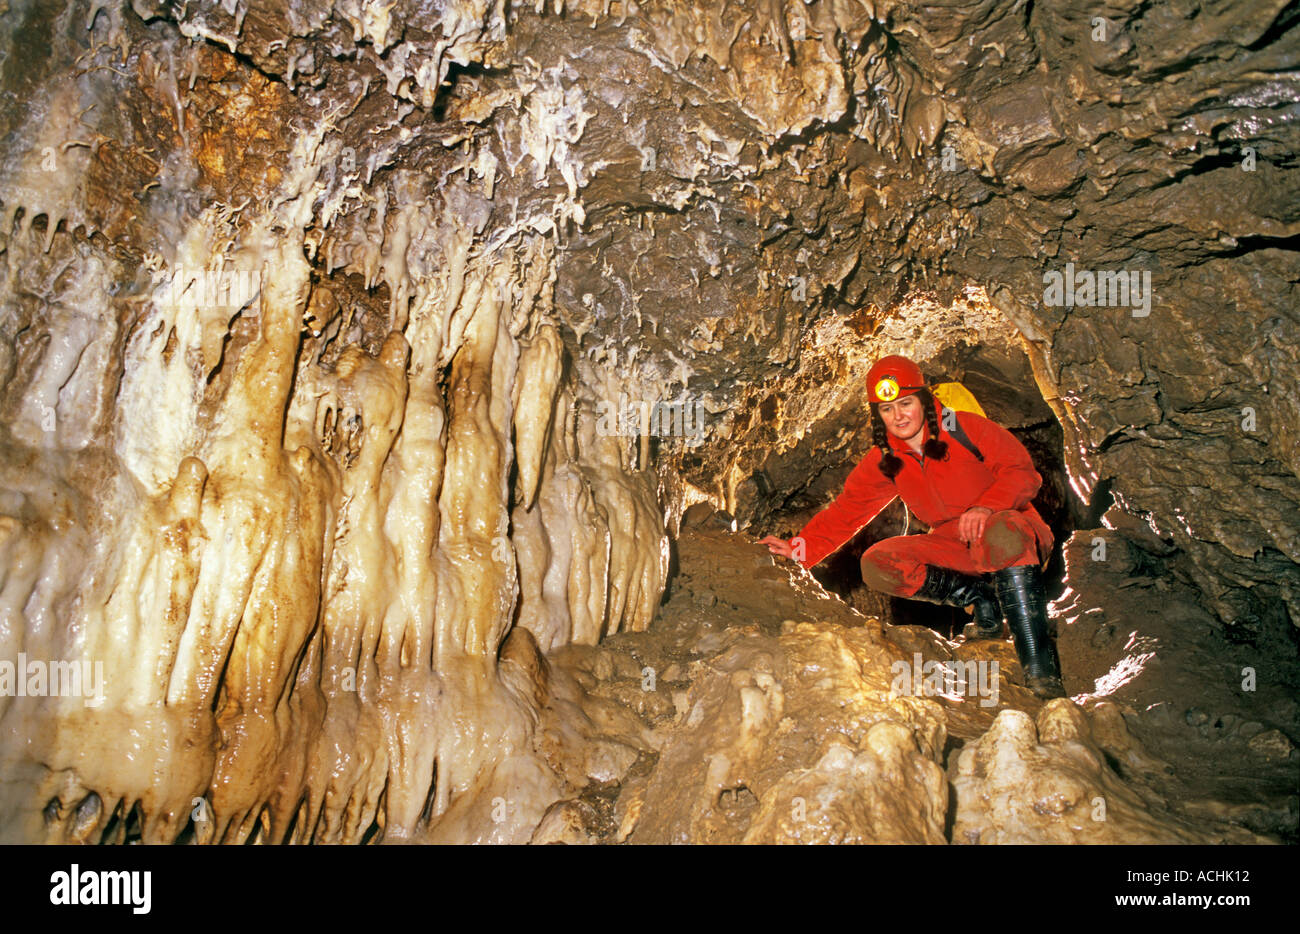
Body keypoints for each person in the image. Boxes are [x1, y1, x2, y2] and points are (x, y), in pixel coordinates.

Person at [759, 354, 1066, 700]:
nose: (898, 416)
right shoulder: (887, 459)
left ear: (923, 400)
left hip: (1014, 533)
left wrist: (987, 507)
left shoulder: (966, 428)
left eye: (905, 403)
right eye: (887, 410)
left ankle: (1041, 673)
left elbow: (1023, 473)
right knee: (877, 563)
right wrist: (799, 547)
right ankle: (982, 600)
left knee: (1002, 531)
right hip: (957, 546)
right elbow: (849, 509)